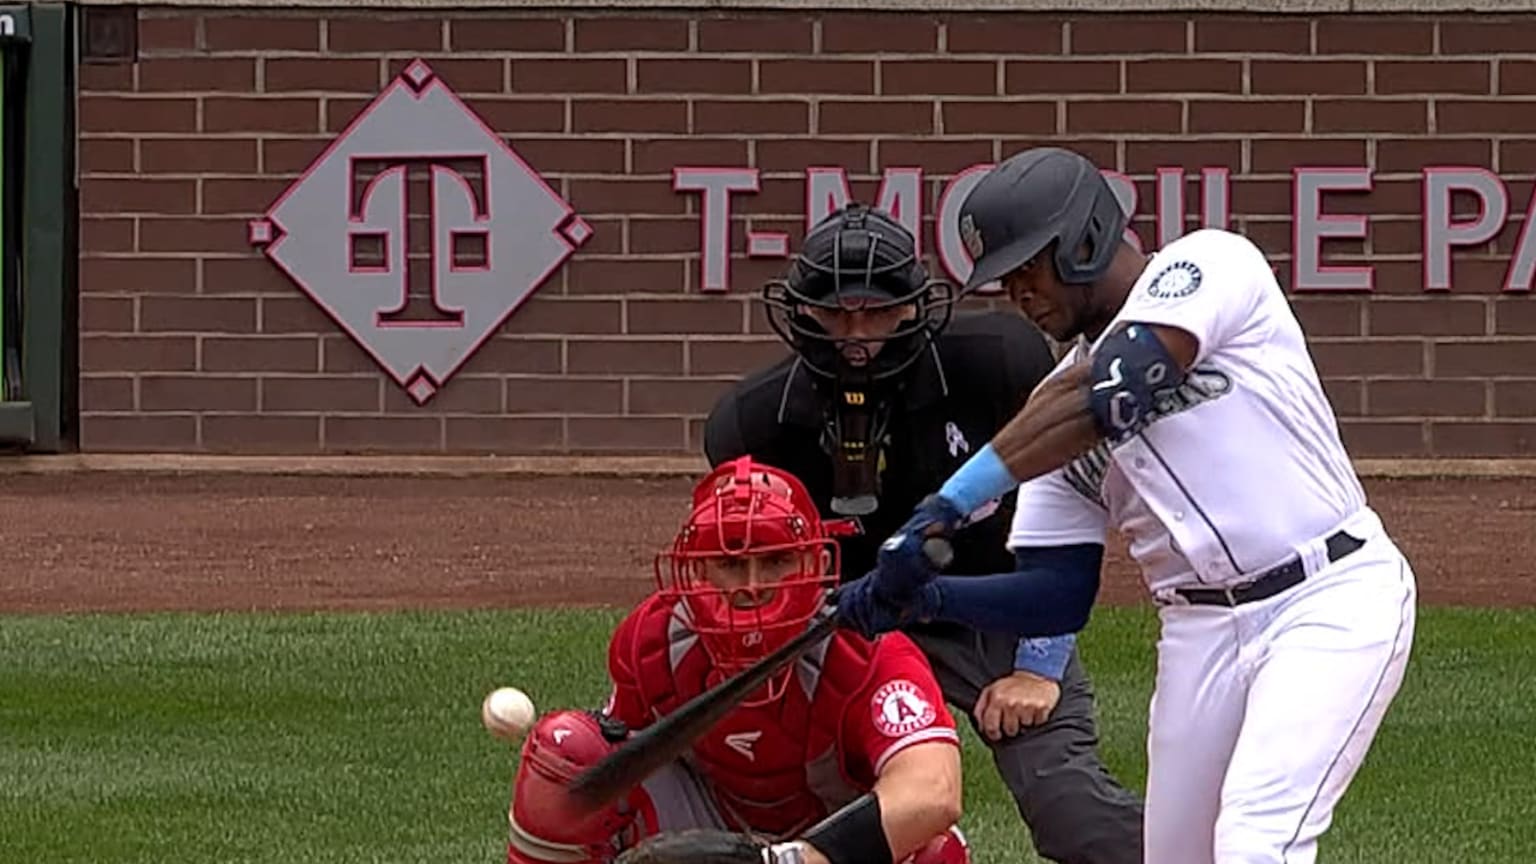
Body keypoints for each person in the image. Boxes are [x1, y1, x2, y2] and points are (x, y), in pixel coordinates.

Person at [846, 146, 1418, 864]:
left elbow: (1117, 388)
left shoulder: (1210, 265)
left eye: (1031, 265)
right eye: (1006, 277)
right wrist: (926, 599)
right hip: (1199, 634)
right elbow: (1057, 597)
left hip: (1327, 595)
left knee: (1254, 841)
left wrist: (948, 504)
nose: (1019, 291)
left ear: (1084, 237)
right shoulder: (1045, 422)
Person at [703, 203, 1145, 864]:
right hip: (848, 625)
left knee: (1071, 811)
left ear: (915, 307)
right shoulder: (754, 421)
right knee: (792, 800)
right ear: (801, 312)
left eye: (878, 312)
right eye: (837, 314)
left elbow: (1067, 515)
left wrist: (1041, 665)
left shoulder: (1000, 365)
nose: (858, 337)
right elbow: (751, 566)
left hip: (993, 610)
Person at [504, 456, 971, 864]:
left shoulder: (866, 649)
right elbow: (618, 766)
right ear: (699, 568)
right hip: (710, 820)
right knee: (565, 756)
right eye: (730, 564)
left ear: (811, 565)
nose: (752, 586)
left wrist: (787, 860)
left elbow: (933, 790)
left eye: (774, 561)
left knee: (934, 847)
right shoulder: (655, 642)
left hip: (827, 839)